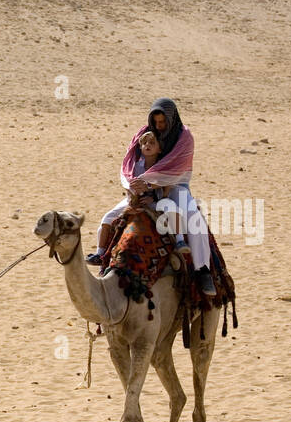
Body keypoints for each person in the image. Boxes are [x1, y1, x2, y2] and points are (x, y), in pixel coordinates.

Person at [91, 98, 217, 295]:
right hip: (140, 189)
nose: (159, 127)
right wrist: (135, 185)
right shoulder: (143, 134)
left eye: (163, 122)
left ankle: (203, 271)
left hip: (175, 187)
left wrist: (150, 182)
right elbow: (129, 162)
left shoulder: (184, 137)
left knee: (194, 220)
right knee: (113, 216)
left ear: (172, 118)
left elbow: (176, 168)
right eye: (156, 122)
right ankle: (103, 258)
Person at [87, 129, 188, 262]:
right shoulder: (133, 167)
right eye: (144, 143)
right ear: (140, 147)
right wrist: (134, 203)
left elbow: (167, 184)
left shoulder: (163, 167)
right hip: (133, 200)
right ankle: (100, 253)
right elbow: (129, 185)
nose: (147, 145)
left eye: (152, 143)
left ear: (159, 149)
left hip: (156, 200)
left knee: (172, 207)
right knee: (107, 218)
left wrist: (155, 198)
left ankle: (180, 240)